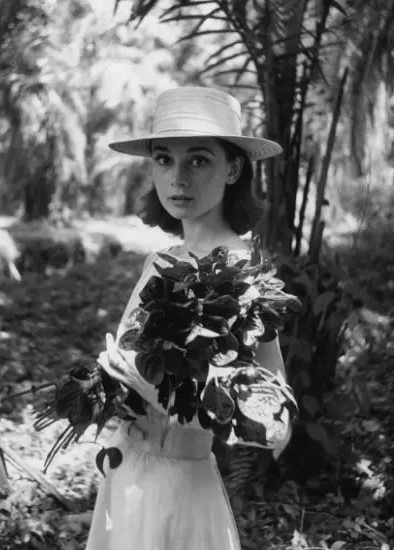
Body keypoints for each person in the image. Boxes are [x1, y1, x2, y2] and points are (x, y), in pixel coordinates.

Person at [87, 86, 291, 550]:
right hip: (124, 481)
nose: (177, 177)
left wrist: (152, 389)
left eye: (198, 160)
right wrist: (100, 390)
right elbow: (127, 365)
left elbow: (275, 426)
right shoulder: (160, 261)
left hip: (177, 494)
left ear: (234, 168)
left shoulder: (241, 274)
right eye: (164, 159)